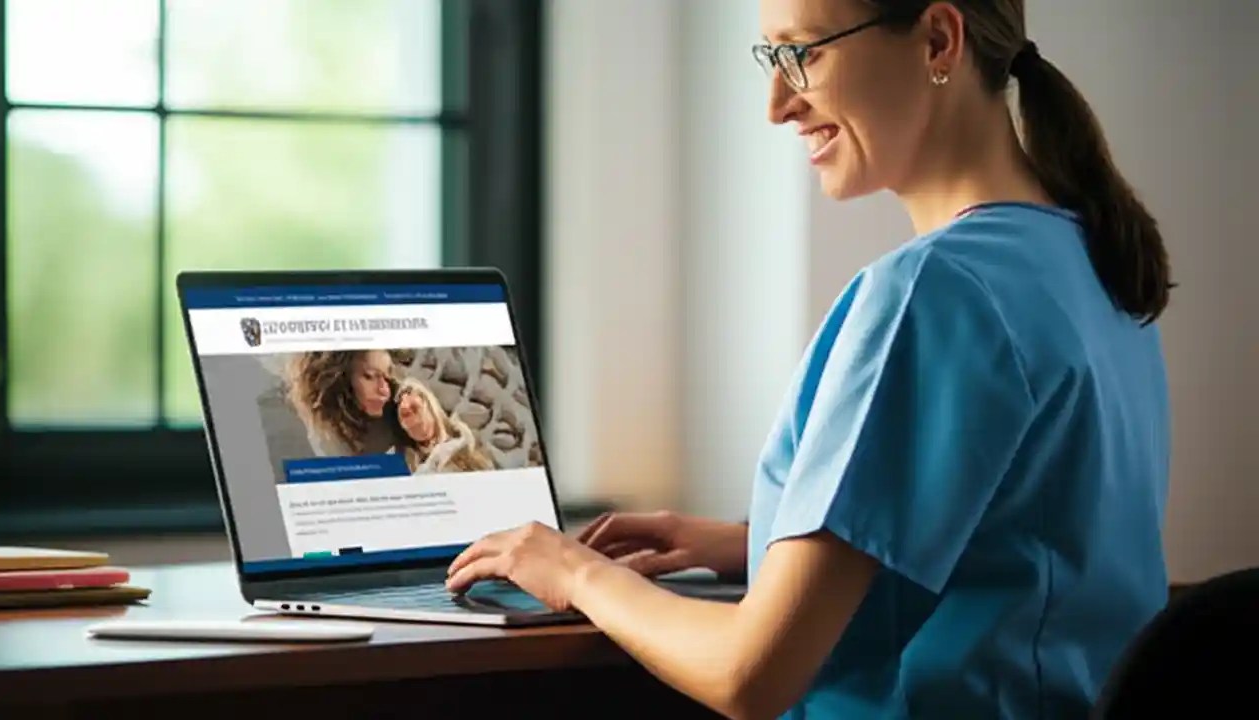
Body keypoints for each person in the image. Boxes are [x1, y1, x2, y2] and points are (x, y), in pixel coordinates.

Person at [445, 0, 1172, 717]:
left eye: (805, 52)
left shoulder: (931, 291)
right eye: (772, 57)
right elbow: (1019, 536)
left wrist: (576, 572)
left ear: (938, 41)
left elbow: (749, 676)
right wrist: (756, 542)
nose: (778, 103)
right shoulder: (1089, 255)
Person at [285, 349, 399, 456]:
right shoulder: (328, 435)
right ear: (342, 377)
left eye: (386, 376)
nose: (385, 391)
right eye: (369, 376)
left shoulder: (400, 403)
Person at [393, 377, 496, 474]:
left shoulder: (468, 443)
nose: (404, 403)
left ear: (430, 405)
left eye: (415, 409)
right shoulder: (407, 464)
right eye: (405, 415)